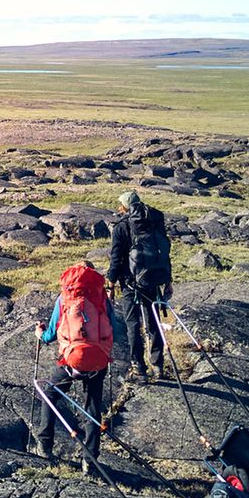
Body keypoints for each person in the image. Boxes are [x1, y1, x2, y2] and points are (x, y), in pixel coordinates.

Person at [31, 261, 115, 476]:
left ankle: (45, 445)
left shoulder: (65, 298)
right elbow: (113, 328)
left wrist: (40, 334)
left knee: (49, 394)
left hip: (71, 361)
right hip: (98, 362)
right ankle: (90, 460)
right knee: (93, 408)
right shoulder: (101, 298)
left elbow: (50, 334)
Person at [107, 190, 173, 382]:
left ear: (126, 206)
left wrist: (110, 283)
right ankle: (158, 366)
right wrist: (168, 280)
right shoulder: (153, 221)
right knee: (153, 322)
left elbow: (116, 257)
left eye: (121, 205)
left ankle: (138, 368)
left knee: (132, 324)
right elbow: (164, 252)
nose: (119, 208)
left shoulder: (121, 227)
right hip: (153, 279)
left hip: (130, 283)